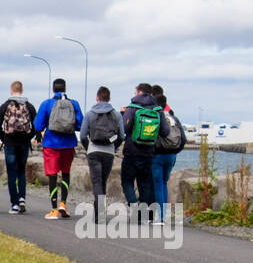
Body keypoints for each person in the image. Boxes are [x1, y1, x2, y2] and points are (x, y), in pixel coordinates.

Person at [33, 78, 83, 219]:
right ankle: (63, 203)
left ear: (53, 89)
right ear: (65, 89)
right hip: (68, 143)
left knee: (52, 175)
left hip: (51, 144)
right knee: (66, 173)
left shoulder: (47, 104)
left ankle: (54, 209)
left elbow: (37, 126)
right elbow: (80, 124)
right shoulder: (74, 104)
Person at [121, 83, 167, 221]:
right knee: (145, 184)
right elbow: (165, 132)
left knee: (127, 181)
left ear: (139, 92)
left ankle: (134, 206)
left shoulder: (132, 107)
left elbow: (124, 128)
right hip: (148, 153)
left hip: (131, 152)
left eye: (135, 91)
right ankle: (143, 215)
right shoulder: (158, 110)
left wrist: (123, 115)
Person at [0, 80, 37, 214]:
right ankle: (22, 198)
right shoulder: (29, 106)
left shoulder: (5, 105)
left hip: (10, 143)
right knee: (21, 172)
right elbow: (36, 126)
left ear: (11, 90)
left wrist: (5, 139)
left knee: (12, 174)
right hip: (24, 143)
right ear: (21, 90)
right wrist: (28, 137)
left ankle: (14, 204)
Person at [78, 86, 124, 208]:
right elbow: (121, 136)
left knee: (97, 181)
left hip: (94, 151)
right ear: (109, 98)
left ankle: (99, 210)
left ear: (97, 98)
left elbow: (82, 136)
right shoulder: (116, 115)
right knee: (103, 180)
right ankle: (100, 208)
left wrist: (88, 147)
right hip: (109, 152)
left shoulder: (89, 114)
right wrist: (114, 147)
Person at [152, 93, 186, 219]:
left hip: (158, 155)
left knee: (158, 184)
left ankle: (160, 216)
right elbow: (183, 139)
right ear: (166, 104)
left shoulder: (156, 117)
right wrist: (175, 152)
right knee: (164, 183)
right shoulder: (174, 118)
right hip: (171, 155)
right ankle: (163, 215)